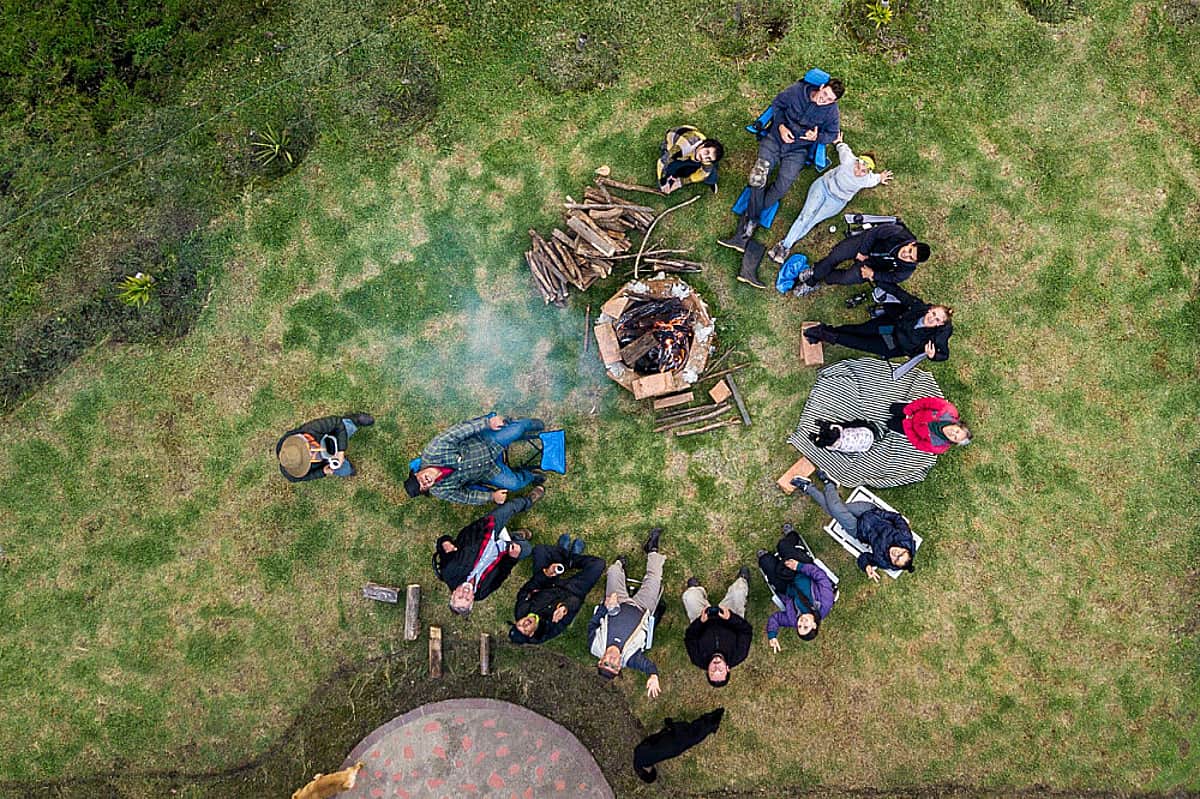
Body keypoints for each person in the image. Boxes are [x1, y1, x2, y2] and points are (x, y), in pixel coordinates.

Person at [719, 73, 845, 285]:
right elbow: (777, 106)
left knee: (782, 187)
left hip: (797, 150)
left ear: (834, 101)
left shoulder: (831, 112)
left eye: (829, 99)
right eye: (823, 95)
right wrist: (781, 127)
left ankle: (749, 222)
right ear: (821, 87)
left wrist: (817, 138)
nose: (823, 100)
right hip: (775, 139)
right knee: (758, 177)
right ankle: (750, 224)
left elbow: (832, 134)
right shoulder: (797, 91)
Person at [768, 133, 893, 264]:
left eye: (863, 171)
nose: (858, 171)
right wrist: (838, 141)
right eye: (858, 166)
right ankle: (785, 246)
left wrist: (881, 177)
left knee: (812, 222)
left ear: (868, 172)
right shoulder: (848, 160)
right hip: (823, 187)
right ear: (856, 161)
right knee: (805, 216)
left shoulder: (868, 180)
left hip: (837, 201)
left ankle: (783, 246)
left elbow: (877, 179)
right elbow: (842, 147)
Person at [432, 487, 546, 614]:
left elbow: (442, 543)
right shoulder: (482, 593)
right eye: (467, 598)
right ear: (473, 599)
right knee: (527, 549)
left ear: (453, 594)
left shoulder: (449, 572)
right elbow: (502, 574)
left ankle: (528, 500)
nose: (465, 593)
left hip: (485, 532)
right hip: (502, 551)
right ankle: (515, 536)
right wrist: (512, 558)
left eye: (460, 596)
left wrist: (445, 543)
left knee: (510, 507)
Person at [792, 471, 915, 582]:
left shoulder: (883, 561)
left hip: (858, 530)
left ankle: (826, 485)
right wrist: (878, 514)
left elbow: (864, 557)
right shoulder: (904, 537)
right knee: (836, 509)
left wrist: (866, 566)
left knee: (835, 509)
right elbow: (896, 517)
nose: (895, 554)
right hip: (870, 512)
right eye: (900, 554)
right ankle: (818, 486)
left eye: (895, 559)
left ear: (892, 563)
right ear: (906, 549)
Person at [586, 528, 666, 698]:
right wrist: (654, 675)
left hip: (618, 602)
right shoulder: (631, 659)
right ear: (619, 667)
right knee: (655, 576)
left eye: (607, 663)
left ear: (600, 660)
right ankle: (652, 548)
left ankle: (621, 565)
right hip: (642, 607)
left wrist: (605, 606)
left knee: (613, 571)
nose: (613, 660)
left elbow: (593, 623)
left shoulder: (595, 645)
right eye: (614, 666)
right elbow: (648, 667)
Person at [405, 413, 545, 505]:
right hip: (487, 471)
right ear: (426, 490)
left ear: (417, 473)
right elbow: (466, 497)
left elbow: (459, 431)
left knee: (519, 428)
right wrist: (491, 497)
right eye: (423, 487)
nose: (424, 482)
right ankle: (531, 475)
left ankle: (531, 424)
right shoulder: (440, 490)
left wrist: (487, 423)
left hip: (487, 442)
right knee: (514, 484)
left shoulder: (434, 450)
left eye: (419, 480)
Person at [803, 284, 953, 361]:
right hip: (890, 328)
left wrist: (933, 355)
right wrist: (876, 277)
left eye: (937, 319)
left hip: (894, 345)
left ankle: (823, 334)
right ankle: (828, 330)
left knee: (859, 342)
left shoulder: (937, 336)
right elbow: (900, 294)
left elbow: (944, 355)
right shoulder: (918, 307)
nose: (932, 319)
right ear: (930, 309)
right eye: (933, 314)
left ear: (940, 324)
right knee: (860, 330)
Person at [791, 219, 930, 297]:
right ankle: (812, 278)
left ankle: (819, 278)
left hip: (872, 265)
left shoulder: (907, 270)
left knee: (846, 278)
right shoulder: (898, 233)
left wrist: (874, 274)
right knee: (835, 256)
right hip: (865, 243)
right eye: (909, 250)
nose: (906, 254)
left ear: (914, 262)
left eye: (911, 258)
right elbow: (874, 233)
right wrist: (863, 251)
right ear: (912, 243)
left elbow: (893, 278)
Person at [509, 535, 606, 645]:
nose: (525, 623)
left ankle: (562, 556)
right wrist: (565, 607)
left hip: (548, 584)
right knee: (598, 564)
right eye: (526, 629)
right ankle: (570, 558)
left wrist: (546, 574)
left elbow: (527, 589)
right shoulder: (548, 631)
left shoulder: (520, 611)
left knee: (540, 551)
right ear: (531, 634)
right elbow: (577, 602)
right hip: (571, 591)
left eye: (520, 624)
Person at [757, 523, 835, 648]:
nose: (801, 622)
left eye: (799, 627)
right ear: (814, 625)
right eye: (806, 626)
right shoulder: (825, 602)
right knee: (782, 546)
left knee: (765, 561)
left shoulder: (792, 620)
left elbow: (775, 619)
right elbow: (819, 576)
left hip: (788, 587)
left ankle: (768, 557)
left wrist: (772, 635)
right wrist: (799, 566)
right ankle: (792, 535)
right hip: (804, 571)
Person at [681, 568, 753, 687]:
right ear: (727, 669)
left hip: (704, 617)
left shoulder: (697, 658)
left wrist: (700, 621)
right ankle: (742, 580)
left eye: (713, 671)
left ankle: (696, 589)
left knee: (689, 597)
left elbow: (690, 637)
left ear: (707, 671)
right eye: (720, 670)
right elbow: (746, 631)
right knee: (739, 590)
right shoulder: (739, 654)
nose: (716, 666)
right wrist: (731, 618)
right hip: (729, 615)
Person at [633, 708, 725, 784]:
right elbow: (652, 741)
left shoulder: (643, 760)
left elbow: (659, 748)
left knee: (694, 735)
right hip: (670, 739)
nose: (652, 767)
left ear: (646, 771)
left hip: (674, 744)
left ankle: (713, 721)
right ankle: (711, 720)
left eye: (651, 769)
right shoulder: (638, 755)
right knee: (692, 732)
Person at [276, 413, 374, 481]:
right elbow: (308, 476)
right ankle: (346, 466)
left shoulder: (312, 429)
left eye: (309, 451)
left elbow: (337, 423)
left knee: (345, 427)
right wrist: (323, 471)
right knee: (346, 471)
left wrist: (340, 451)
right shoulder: (292, 474)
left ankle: (353, 421)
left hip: (329, 437)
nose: (313, 454)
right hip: (325, 463)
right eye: (309, 457)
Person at [887, 398, 972, 454]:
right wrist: (909, 410)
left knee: (889, 424)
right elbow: (925, 402)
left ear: (952, 442)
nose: (953, 433)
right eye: (957, 431)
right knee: (892, 408)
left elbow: (917, 443)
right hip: (914, 411)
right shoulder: (948, 409)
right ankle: (907, 404)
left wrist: (908, 426)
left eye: (955, 438)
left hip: (911, 428)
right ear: (958, 425)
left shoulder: (938, 447)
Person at [656, 126, 724, 194]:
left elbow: (704, 172)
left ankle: (711, 181)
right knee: (668, 171)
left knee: (709, 169)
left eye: (708, 158)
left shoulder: (703, 155)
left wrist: (681, 182)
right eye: (706, 152)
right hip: (674, 148)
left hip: (692, 152)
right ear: (703, 145)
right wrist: (663, 183)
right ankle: (674, 176)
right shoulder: (682, 147)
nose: (703, 157)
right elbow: (662, 162)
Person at [809, 418, 880, 454]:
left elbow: (835, 428)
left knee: (849, 425)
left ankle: (816, 437)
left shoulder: (834, 442)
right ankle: (816, 437)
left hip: (866, 436)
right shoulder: (833, 442)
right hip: (866, 437)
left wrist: (825, 425)